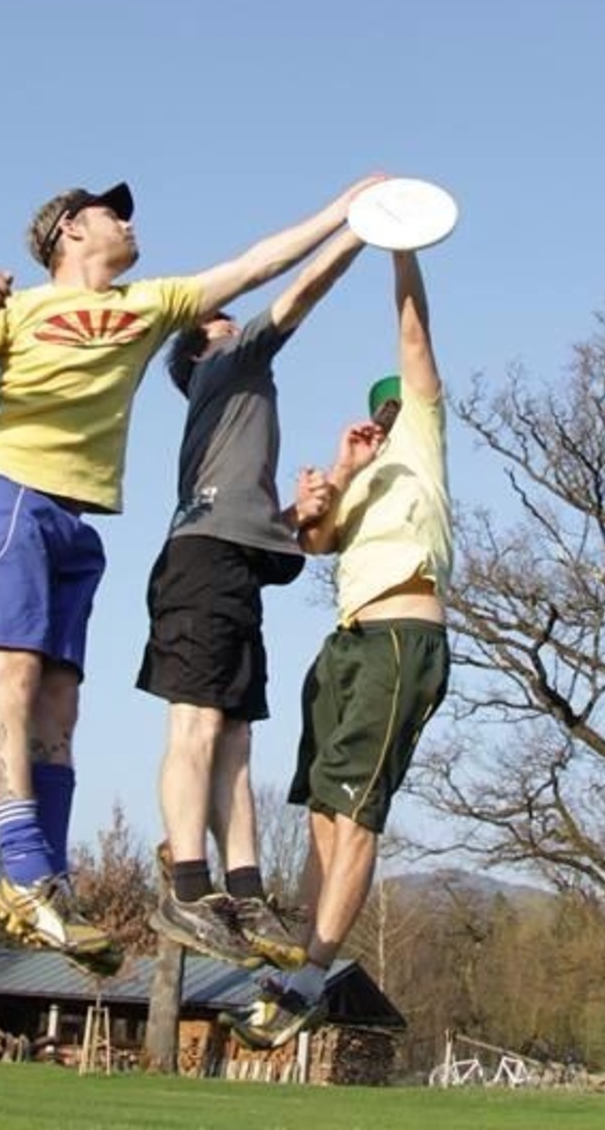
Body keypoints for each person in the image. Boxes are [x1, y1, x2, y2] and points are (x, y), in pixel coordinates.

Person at [0, 175, 380, 974]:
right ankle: (22, 868)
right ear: (69, 231)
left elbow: (260, 263)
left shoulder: (147, 305)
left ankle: (47, 886)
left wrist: (345, 209)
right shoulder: (22, 309)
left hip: (76, 523)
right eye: (110, 212)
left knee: (61, 704)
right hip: (8, 495)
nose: (127, 220)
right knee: (14, 675)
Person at [227, 247, 451, 1047]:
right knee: (324, 813)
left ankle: (311, 975)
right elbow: (314, 543)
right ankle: (302, 961)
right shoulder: (368, 471)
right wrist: (335, 481)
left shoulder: (422, 447)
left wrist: (402, 252)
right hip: (346, 642)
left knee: (355, 817)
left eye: (398, 410)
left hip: (402, 636)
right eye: (379, 413)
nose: (388, 421)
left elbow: (416, 347)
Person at [138, 225, 367, 970]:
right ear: (204, 347)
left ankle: (244, 889)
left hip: (233, 566)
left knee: (236, 740)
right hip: (199, 563)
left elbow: (288, 549)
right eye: (223, 319)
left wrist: (312, 500)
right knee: (198, 725)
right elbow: (301, 291)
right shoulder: (225, 366)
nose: (237, 320)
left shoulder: (243, 422)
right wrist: (364, 227)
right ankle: (188, 886)